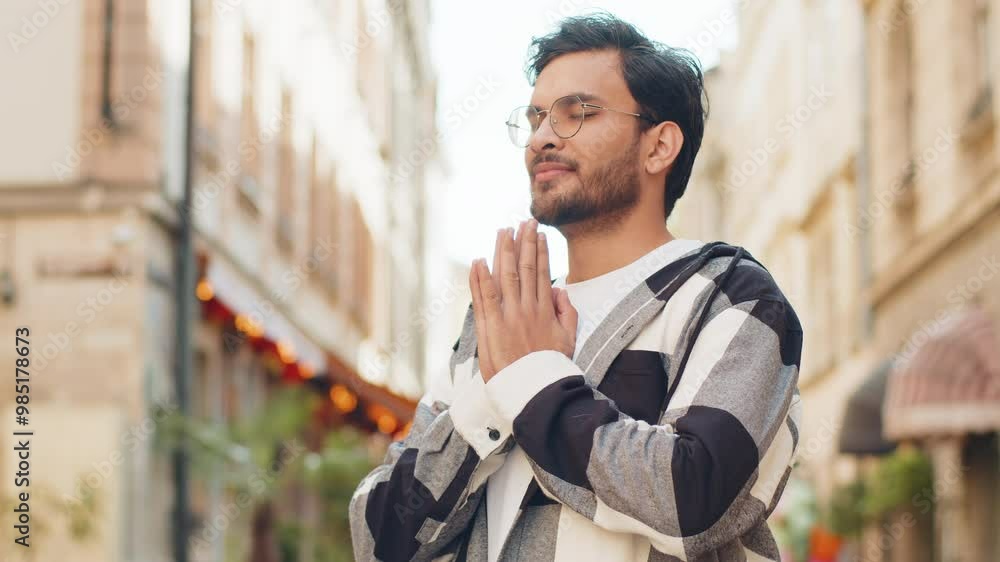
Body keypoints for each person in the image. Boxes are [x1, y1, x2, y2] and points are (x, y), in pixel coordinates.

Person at [350, 13, 803, 562]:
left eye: (578, 114)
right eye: (536, 118)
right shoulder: (501, 320)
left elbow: (693, 502)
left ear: (659, 146)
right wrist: (488, 402)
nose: (542, 138)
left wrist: (528, 377)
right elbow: (379, 540)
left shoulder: (730, 297)